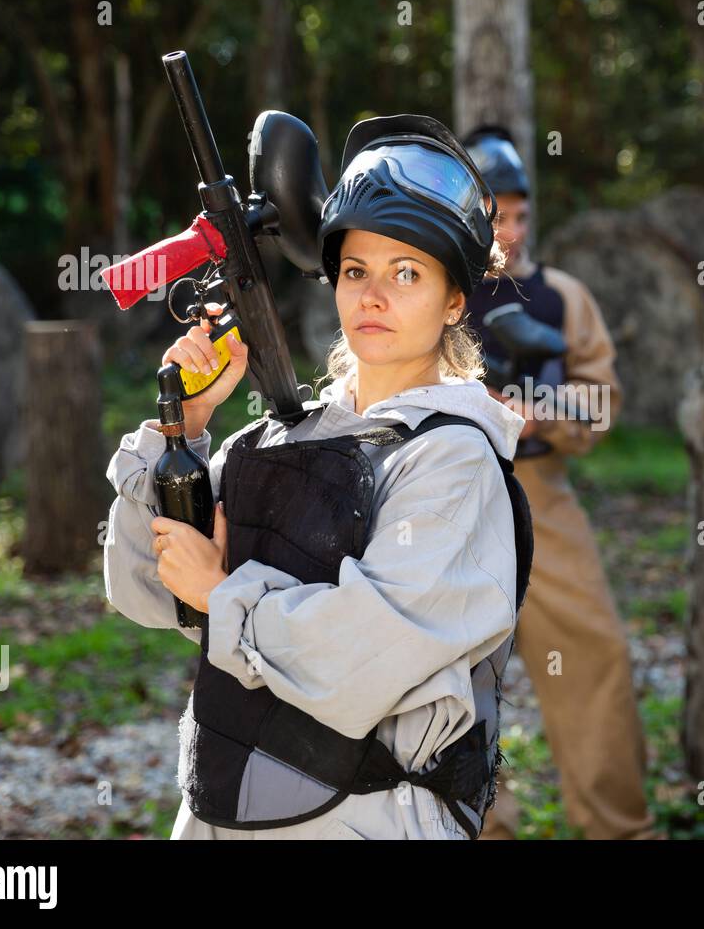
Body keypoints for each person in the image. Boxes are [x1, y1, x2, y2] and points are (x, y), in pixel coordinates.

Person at [103, 114, 532, 840]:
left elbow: (359, 658)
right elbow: (143, 588)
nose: (373, 296)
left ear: (455, 300)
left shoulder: (455, 458)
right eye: (357, 270)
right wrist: (188, 423)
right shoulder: (282, 435)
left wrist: (223, 593)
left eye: (407, 273)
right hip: (225, 806)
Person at [460, 124, 657, 839]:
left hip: (541, 500)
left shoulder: (561, 296)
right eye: (493, 215)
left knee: (596, 655)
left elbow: (604, 402)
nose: (508, 229)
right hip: (448, 508)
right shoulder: (435, 295)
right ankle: (481, 829)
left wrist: (548, 417)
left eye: (518, 213)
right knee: (457, 679)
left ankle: (619, 827)